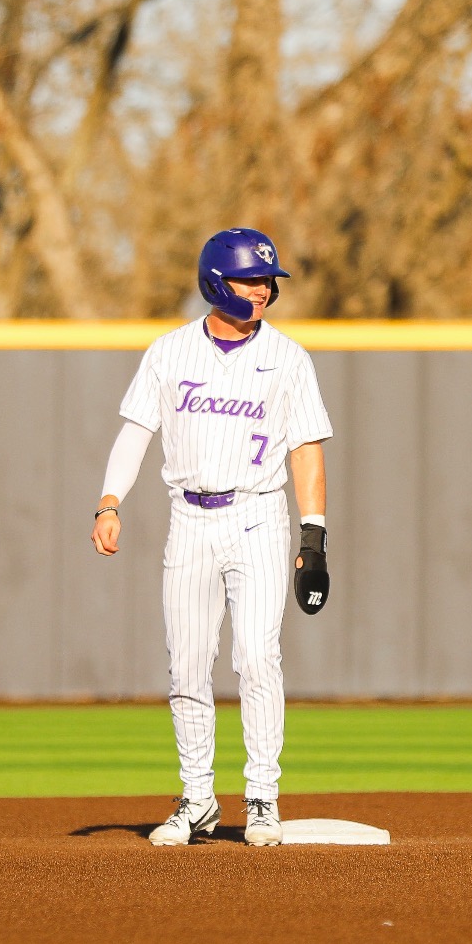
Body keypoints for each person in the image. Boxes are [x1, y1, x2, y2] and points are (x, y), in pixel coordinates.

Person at [92, 228, 334, 846]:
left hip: (256, 517)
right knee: (187, 666)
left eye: (268, 282)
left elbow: (306, 449)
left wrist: (314, 535)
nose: (263, 291)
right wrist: (109, 501)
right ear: (214, 282)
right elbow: (135, 432)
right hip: (190, 520)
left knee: (257, 657)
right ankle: (198, 797)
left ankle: (261, 798)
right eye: (251, 280)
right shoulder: (170, 354)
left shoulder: (289, 359)